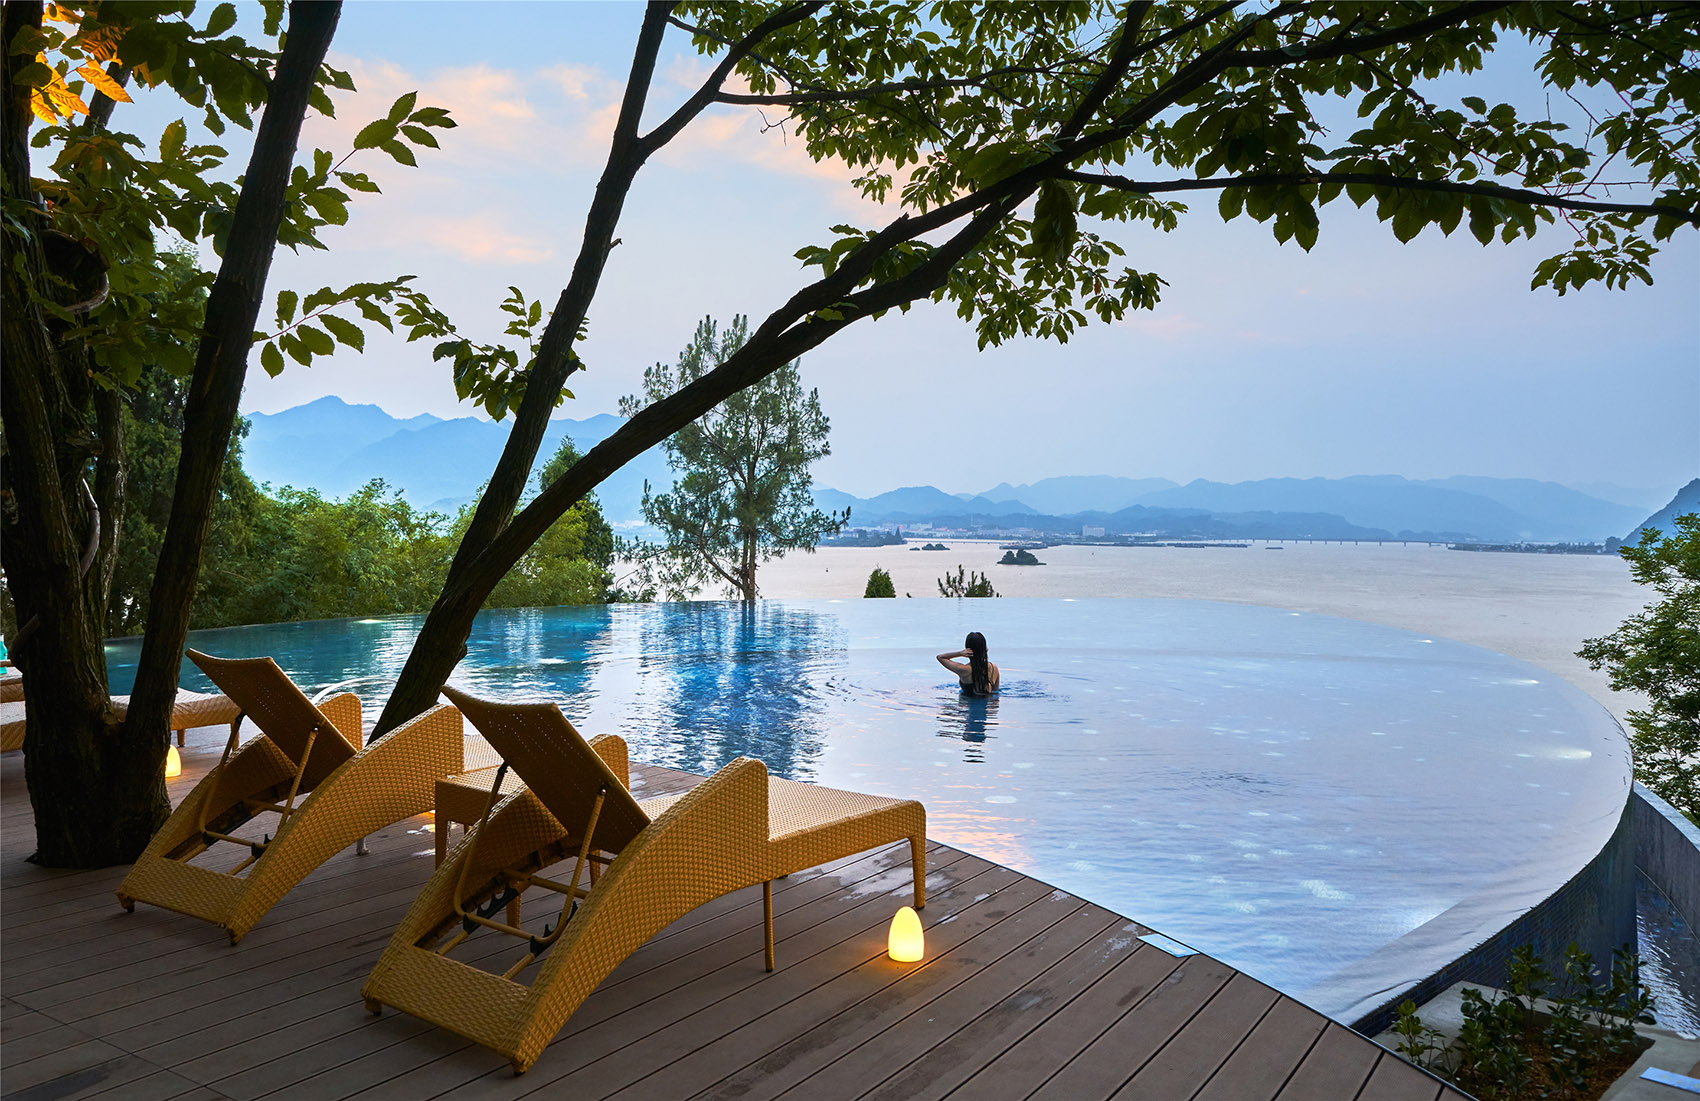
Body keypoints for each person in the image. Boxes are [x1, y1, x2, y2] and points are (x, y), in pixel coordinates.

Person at [937, 631, 1000, 696]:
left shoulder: (963, 669)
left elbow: (940, 657)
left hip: (967, 704)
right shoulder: (994, 668)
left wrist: (960, 653)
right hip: (988, 704)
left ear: (967, 650)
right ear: (985, 648)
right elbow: (996, 691)